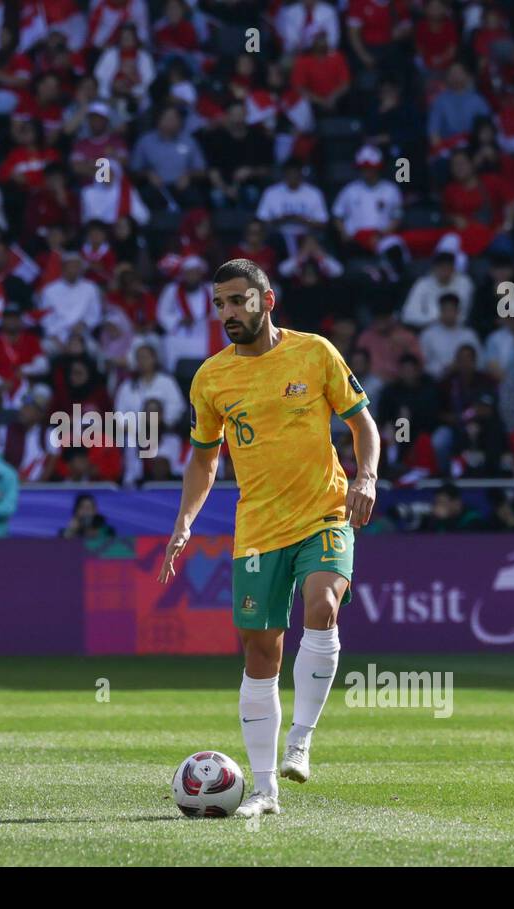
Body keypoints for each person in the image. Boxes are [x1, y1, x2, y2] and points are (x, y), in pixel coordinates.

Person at [159, 258, 380, 818]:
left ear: (267, 300)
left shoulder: (315, 352)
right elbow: (204, 461)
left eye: (238, 301)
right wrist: (184, 520)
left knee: (323, 604)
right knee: (261, 651)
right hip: (257, 528)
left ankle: (301, 739)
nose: (228, 313)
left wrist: (367, 476)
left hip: (324, 512)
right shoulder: (211, 378)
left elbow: (362, 423)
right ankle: (263, 790)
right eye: (220, 305)